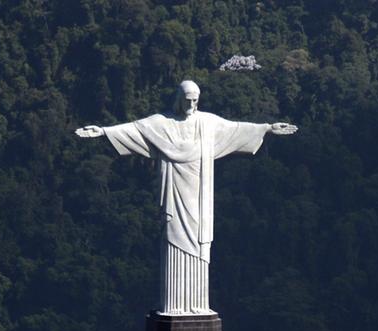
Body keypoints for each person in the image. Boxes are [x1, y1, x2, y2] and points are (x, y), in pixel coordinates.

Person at [75, 80, 298, 314]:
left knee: (200, 246)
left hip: (200, 198)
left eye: (195, 100)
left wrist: (268, 128)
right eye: (187, 100)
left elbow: (236, 129)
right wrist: (103, 132)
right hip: (174, 193)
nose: (191, 104)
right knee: (173, 241)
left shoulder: (208, 123)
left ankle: (198, 306)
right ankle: (174, 307)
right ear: (179, 99)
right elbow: (135, 129)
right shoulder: (162, 123)